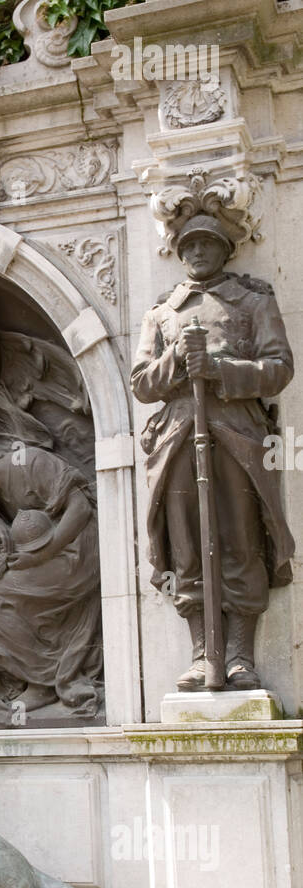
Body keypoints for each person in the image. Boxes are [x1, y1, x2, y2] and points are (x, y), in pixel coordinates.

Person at [131, 214, 295, 690]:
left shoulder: (253, 300)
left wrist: (221, 369)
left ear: (225, 250)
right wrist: (177, 360)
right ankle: (203, 653)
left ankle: (240, 654)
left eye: (207, 245)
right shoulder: (162, 311)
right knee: (186, 544)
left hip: (237, 434)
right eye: (189, 247)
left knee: (241, 539)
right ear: (179, 253)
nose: (198, 253)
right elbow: (142, 383)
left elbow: (279, 368)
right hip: (179, 435)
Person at [0, 446, 102, 716]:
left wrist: (43, 555)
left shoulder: (30, 462)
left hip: (78, 551)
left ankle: (43, 681)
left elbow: (80, 508)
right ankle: (42, 675)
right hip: (50, 554)